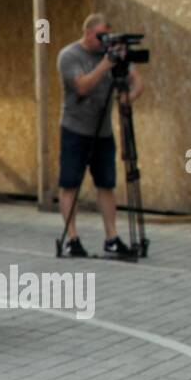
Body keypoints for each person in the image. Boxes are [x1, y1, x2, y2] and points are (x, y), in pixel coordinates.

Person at [57, 13, 143, 258]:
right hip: (75, 128)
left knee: (106, 183)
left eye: (107, 36)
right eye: (100, 36)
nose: (104, 42)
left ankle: (111, 237)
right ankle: (71, 238)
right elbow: (82, 86)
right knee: (70, 183)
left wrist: (129, 96)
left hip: (103, 130)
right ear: (87, 33)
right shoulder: (70, 55)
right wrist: (106, 63)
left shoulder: (111, 54)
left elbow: (138, 83)